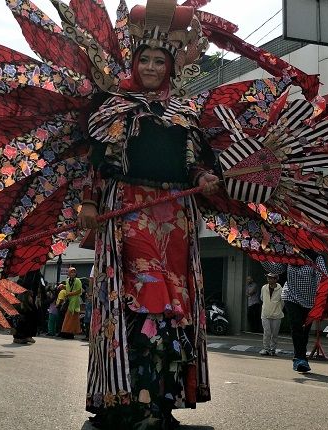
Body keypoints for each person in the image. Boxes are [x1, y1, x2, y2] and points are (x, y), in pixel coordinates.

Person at [77, 9, 220, 427]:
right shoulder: (114, 109)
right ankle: (132, 402)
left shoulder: (186, 113)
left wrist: (206, 178)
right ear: (134, 64)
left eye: (160, 61)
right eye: (145, 60)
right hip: (130, 213)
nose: (152, 68)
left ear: (171, 66)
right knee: (144, 302)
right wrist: (89, 203)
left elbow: (193, 164)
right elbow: (97, 163)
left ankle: (161, 405)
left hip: (176, 217)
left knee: (176, 308)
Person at [262, 253, 328, 373]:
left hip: (310, 300)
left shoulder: (316, 257)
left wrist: (322, 295)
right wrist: (261, 256)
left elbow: (322, 276)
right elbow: (276, 269)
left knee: (305, 330)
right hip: (290, 295)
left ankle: (302, 357)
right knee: (296, 325)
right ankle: (299, 358)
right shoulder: (288, 253)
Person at [259, 273, 283, 356]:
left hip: (277, 315)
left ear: (275, 279)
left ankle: (273, 349)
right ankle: (266, 349)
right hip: (265, 314)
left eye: (271, 278)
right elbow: (262, 298)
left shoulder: (280, 289)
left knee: (275, 334)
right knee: (267, 332)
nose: (269, 279)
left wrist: (278, 309)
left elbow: (282, 302)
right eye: (268, 278)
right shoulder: (264, 288)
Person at [58, 267, 83, 339]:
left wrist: (69, 294)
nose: (73, 273)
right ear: (69, 273)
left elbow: (79, 291)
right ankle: (67, 332)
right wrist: (63, 286)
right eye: (71, 272)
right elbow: (69, 288)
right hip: (69, 301)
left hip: (74, 302)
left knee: (72, 319)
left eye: (74, 272)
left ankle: (70, 333)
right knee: (69, 319)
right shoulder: (67, 280)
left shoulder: (78, 281)